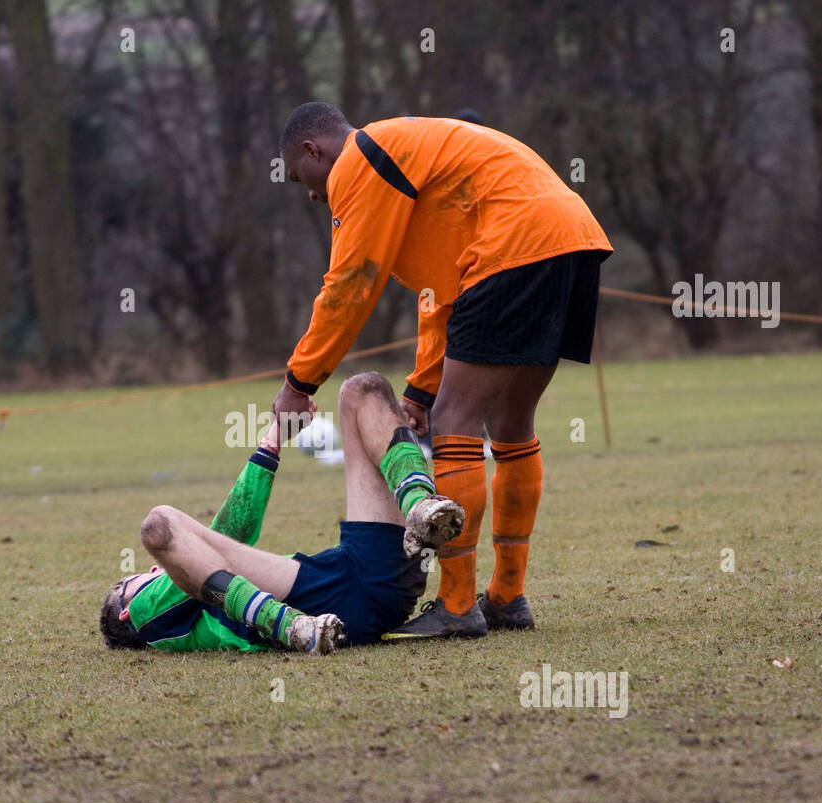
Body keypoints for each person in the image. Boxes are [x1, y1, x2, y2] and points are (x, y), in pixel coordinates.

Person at [271, 104, 613, 639]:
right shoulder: (411, 159)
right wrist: (421, 388)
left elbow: (351, 285)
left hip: (516, 247)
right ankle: (506, 597)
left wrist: (299, 383)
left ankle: (457, 605)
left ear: (314, 151)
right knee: (512, 424)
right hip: (573, 238)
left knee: (458, 420)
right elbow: (445, 294)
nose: (311, 194)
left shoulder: (361, 158)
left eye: (299, 177)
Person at [99, 372, 465, 653]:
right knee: (156, 526)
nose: (152, 570)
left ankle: (419, 503)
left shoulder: (196, 585)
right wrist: (273, 439)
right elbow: (227, 533)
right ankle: (288, 626)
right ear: (128, 611)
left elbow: (230, 537)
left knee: (363, 389)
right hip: (329, 606)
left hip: (368, 577)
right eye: (135, 582)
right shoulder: (148, 619)